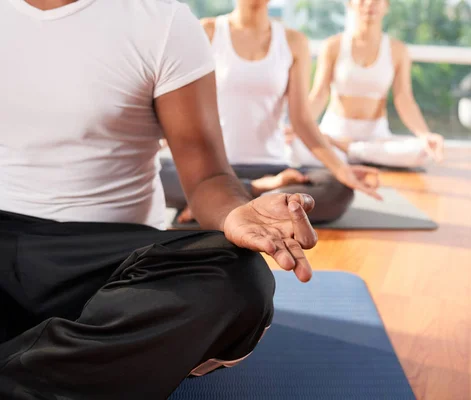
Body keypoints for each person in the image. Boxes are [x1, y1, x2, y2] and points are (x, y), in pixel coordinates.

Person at [0, 1, 320, 399]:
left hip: (116, 259)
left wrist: (236, 212)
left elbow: (207, 173)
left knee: (238, 280)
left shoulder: (162, 20)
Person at [161, 0, 382, 225]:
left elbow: (302, 120)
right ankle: (256, 194)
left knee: (337, 189)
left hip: (275, 169)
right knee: (155, 174)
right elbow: (184, 103)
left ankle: (217, 204)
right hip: (213, 169)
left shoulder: (294, 42)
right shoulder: (208, 31)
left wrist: (341, 169)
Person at [287, 0, 445, 170]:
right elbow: (319, 95)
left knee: (423, 151)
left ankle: (347, 150)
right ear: (350, 4)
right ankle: (356, 154)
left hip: (375, 137)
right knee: (292, 149)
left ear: (386, 5)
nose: (369, 4)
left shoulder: (398, 50)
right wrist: (298, 127)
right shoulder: (332, 46)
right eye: (362, 0)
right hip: (335, 130)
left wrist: (424, 134)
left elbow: (404, 99)